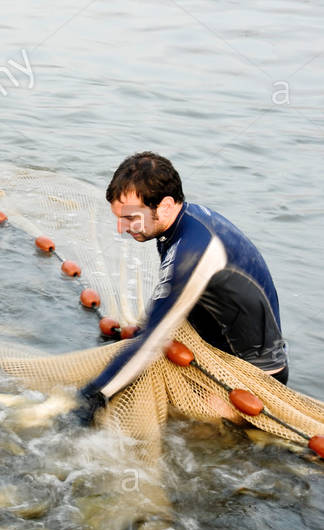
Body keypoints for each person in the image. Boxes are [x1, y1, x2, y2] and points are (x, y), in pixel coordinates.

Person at [79, 152, 288, 418]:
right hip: (212, 353)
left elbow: (153, 339)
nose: (122, 228)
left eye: (131, 218)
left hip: (253, 377)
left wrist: (90, 398)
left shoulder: (194, 250)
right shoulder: (179, 225)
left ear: (165, 205)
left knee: (183, 426)